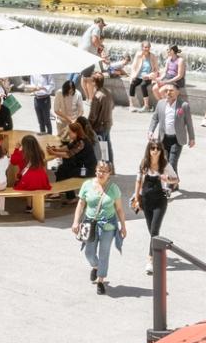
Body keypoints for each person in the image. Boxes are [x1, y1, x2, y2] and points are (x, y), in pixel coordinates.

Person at [72, 161, 128, 294]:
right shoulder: (87, 185)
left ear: (110, 173)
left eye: (104, 171)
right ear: (95, 170)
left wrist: (123, 226)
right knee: (89, 253)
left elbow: (119, 209)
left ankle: (101, 280)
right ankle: (96, 267)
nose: (101, 173)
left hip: (108, 225)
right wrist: (75, 221)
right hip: (89, 224)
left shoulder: (114, 188)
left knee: (104, 253)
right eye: (99, 170)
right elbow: (81, 204)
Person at [131, 138, 178, 273]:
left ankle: (150, 259)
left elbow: (176, 180)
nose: (155, 151)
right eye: (153, 148)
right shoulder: (144, 163)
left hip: (160, 201)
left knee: (154, 232)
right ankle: (159, 247)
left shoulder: (165, 165)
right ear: (149, 150)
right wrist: (137, 198)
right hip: (146, 201)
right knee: (152, 230)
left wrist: (167, 179)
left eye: (158, 148)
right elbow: (138, 181)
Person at [148, 82, 195, 173]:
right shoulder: (161, 104)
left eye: (171, 90)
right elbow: (155, 118)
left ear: (177, 92)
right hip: (163, 138)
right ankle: (174, 183)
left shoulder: (184, 105)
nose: (168, 93)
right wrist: (151, 131)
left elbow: (189, 123)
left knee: (172, 162)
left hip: (177, 139)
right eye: (166, 90)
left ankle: (171, 185)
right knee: (165, 162)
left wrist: (192, 138)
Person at [84, 73, 115, 164]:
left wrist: (87, 126)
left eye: (92, 81)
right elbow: (112, 106)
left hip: (99, 126)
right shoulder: (107, 92)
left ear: (94, 82)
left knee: (100, 148)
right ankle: (110, 167)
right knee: (107, 145)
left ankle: (102, 167)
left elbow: (93, 116)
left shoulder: (97, 96)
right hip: (108, 123)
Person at [127, 42, 159, 111]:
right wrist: (133, 76)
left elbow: (156, 69)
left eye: (148, 47)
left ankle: (146, 106)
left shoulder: (153, 56)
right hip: (139, 75)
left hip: (148, 76)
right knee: (132, 83)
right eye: (145, 47)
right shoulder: (138, 55)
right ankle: (131, 105)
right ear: (142, 47)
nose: (146, 49)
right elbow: (133, 66)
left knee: (143, 85)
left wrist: (149, 75)